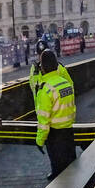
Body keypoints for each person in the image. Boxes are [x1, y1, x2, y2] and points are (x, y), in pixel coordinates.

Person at [33, 49, 76, 181]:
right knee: (72, 167)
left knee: (59, 175)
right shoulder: (66, 83)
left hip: (55, 136)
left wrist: (40, 141)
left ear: (43, 68)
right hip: (68, 132)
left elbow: (43, 121)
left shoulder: (45, 89)